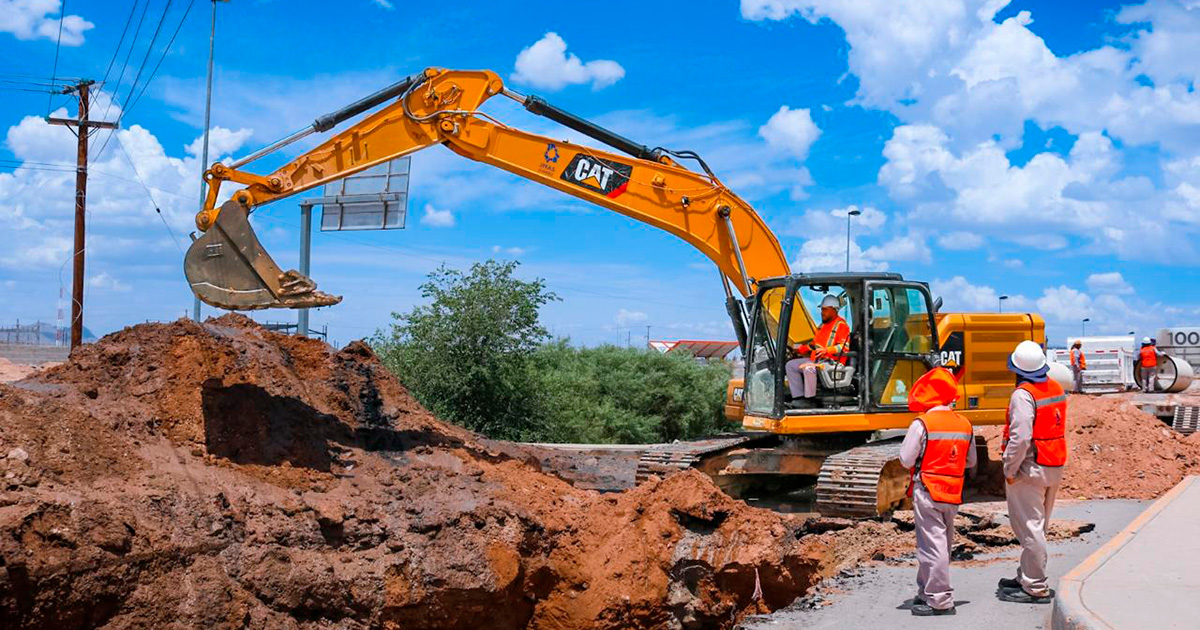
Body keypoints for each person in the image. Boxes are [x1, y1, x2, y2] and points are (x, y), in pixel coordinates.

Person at [899, 367, 976, 617]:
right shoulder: (964, 423)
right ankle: (926, 592)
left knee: (932, 546)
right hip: (953, 492)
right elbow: (970, 461)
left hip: (928, 490)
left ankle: (940, 600)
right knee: (940, 544)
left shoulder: (923, 423)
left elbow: (905, 459)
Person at [998, 340, 1068, 604]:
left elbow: (1020, 437)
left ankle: (1035, 586)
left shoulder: (1023, 395)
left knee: (1030, 528)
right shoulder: (1055, 387)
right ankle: (1026, 575)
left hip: (1030, 467)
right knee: (1038, 526)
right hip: (1053, 463)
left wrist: (1010, 469)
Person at [784, 295, 850, 407]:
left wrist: (827, 350)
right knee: (790, 365)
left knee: (808, 368)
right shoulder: (822, 326)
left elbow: (844, 347)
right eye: (821, 309)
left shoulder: (842, 326)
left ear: (834, 310)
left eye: (825, 309)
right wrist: (799, 349)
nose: (822, 312)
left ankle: (809, 400)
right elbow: (814, 345)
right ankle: (799, 398)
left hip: (832, 362)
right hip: (818, 360)